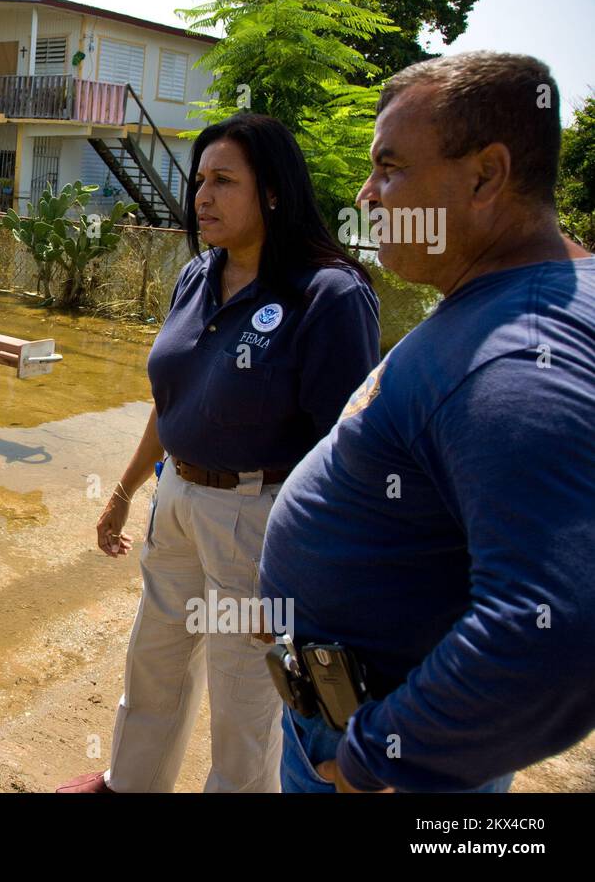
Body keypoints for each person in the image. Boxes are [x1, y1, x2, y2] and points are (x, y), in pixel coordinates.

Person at [260, 51, 595, 793]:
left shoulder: (513, 357)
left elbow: (555, 633)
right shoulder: (529, 297)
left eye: (390, 168)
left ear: (486, 176)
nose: (366, 193)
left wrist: (372, 758)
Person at [58, 114, 380, 793]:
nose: (202, 196)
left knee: (244, 699)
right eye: (199, 180)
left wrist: (309, 571)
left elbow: (346, 455)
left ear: (272, 192)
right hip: (176, 498)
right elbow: (172, 398)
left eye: (224, 181)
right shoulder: (199, 274)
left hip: (255, 520)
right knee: (155, 665)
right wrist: (124, 492)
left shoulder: (328, 294)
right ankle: (130, 783)